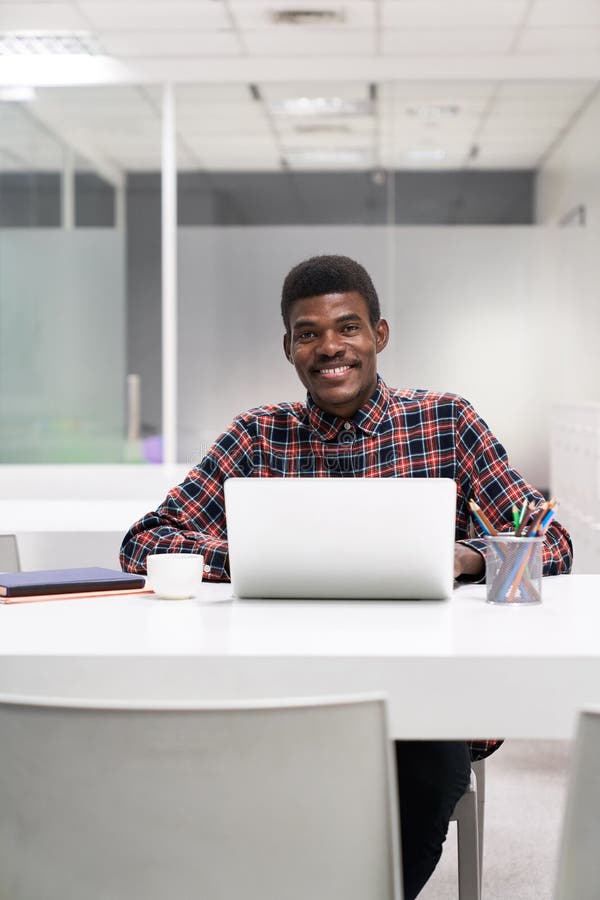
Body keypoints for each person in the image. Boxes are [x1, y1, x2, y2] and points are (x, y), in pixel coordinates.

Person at [121, 254, 572, 899]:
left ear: (379, 335)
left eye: (347, 327)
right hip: (282, 687)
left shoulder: (447, 423)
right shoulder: (256, 437)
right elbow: (144, 544)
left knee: (427, 768)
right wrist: (261, 551)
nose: (329, 347)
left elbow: (551, 543)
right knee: (218, 773)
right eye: (308, 333)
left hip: (422, 690)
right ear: (288, 347)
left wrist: (466, 557)